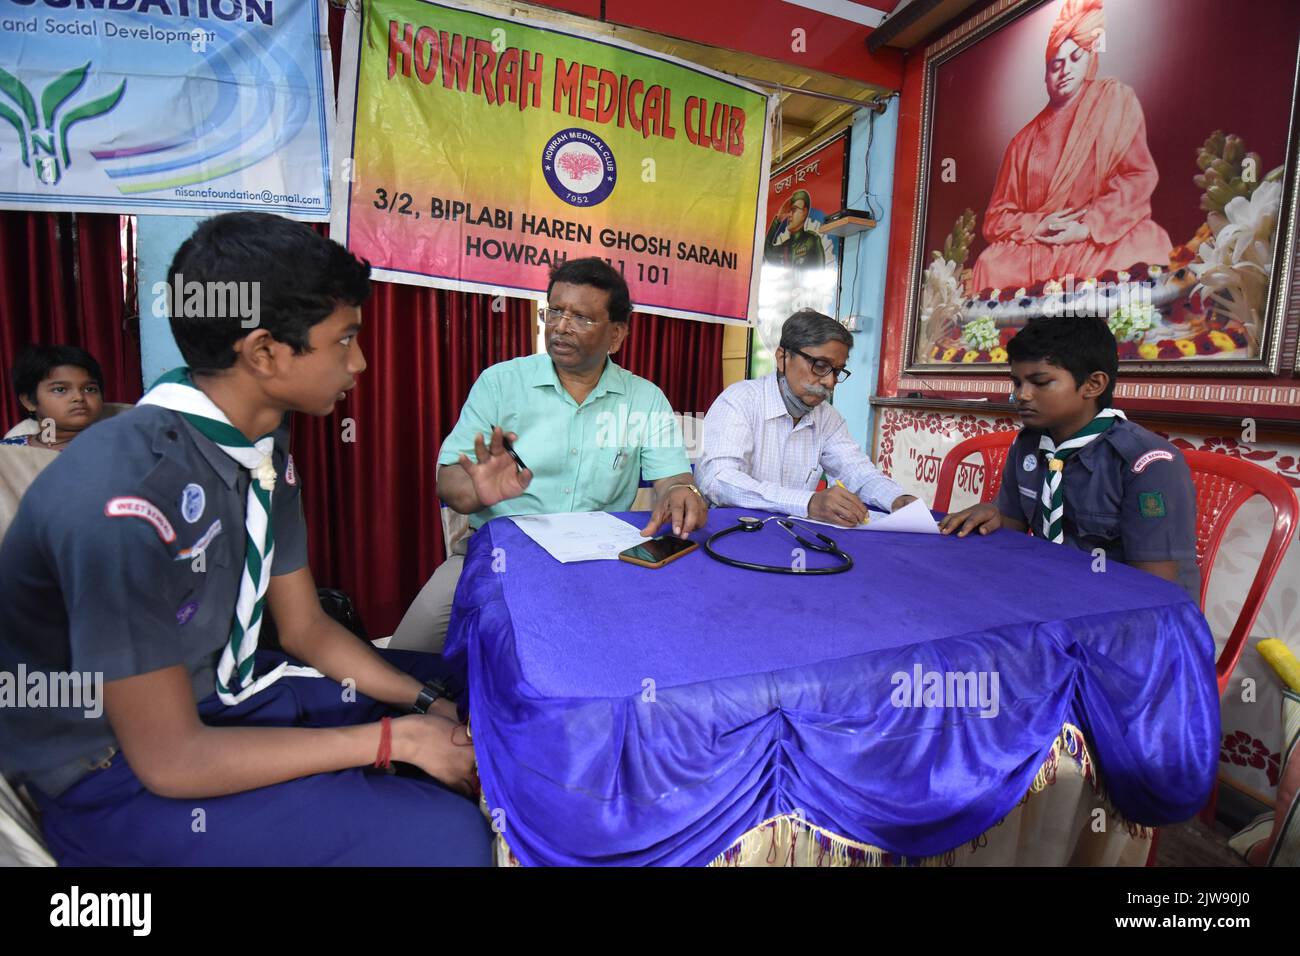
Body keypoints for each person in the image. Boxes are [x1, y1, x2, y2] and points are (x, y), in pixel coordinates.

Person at [0, 212, 492, 865]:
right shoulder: (124, 501)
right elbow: (174, 761)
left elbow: (305, 628)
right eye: (344, 340)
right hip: (116, 772)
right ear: (263, 352)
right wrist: (393, 741)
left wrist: (425, 705)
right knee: (448, 839)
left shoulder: (258, 445)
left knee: (464, 689)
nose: (361, 361)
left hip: (222, 693)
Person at [389, 257, 707, 653]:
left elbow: (674, 480)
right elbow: (448, 481)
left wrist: (682, 492)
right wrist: (476, 490)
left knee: (645, 648)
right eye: (554, 310)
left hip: (601, 564)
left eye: (581, 317)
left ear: (617, 335)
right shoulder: (501, 383)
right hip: (500, 555)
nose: (560, 326)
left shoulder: (645, 398)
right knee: (407, 652)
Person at [939, 315, 1199, 601]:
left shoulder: (1147, 463)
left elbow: (1152, 589)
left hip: (1124, 612)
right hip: (1047, 593)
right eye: (1017, 382)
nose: (1021, 395)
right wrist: (994, 516)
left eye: (1040, 382)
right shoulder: (1029, 444)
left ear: (1093, 384)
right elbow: (1012, 530)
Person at [969, 0, 1172, 292]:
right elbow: (995, 220)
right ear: (1045, 74)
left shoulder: (1114, 101)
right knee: (991, 264)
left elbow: (1137, 177)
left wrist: (1087, 226)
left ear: (1090, 59)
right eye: (1056, 65)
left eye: (1075, 58)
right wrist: (1038, 225)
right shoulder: (1022, 142)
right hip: (1038, 249)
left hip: (1095, 241)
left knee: (1146, 244)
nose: (1064, 71)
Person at [697, 310, 916, 526]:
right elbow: (718, 480)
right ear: (783, 358)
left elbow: (857, 472)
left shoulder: (828, 418)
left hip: (793, 536)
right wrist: (807, 502)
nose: (830, 382)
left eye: (837, 371)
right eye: (820, 366)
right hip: (733, 533)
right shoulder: (739, 401)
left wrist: (897, 499)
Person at [2, 344, 106, 450]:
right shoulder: (7, 451)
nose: (79, 397)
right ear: (29, 402)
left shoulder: (117, 446)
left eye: (90, 389)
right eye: (60, 389)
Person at [763, 189, 834, 272]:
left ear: (804, 212)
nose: (789, 215)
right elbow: (767, 251)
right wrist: (779, 219)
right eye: (789, 211)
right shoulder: (785, 246)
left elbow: (820, 274)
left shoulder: (812, 241)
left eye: (794, 210)